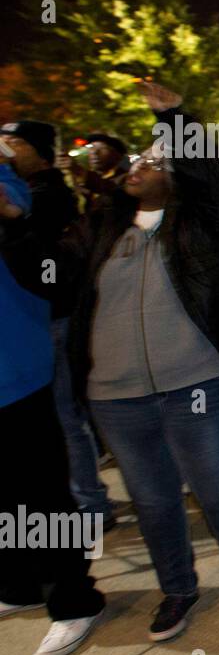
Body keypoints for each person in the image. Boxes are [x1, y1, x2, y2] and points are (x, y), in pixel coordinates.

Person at [67, 83, 219, 642]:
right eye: (135, 161)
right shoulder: (101, 229)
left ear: (176, 175)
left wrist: (173, 117)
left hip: (199, 384)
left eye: (153, 160)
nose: (139, 165)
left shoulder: (201, 223)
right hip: (116, 398)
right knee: (154, 501)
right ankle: (178, 590)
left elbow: (217, 179)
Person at [0, 152, 106, 655]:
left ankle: (74, 600)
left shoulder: (11, 190)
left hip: (16, 374)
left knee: (43, 493)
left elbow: (19, 206)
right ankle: (18, 585)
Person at [0, 121, 114, 527]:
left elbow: (37, 255)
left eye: (15, 142)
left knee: (66, 419)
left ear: (38, 151)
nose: (7, 148)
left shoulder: (44, 194)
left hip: (53, 319)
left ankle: (91, 505)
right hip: (38, 323)